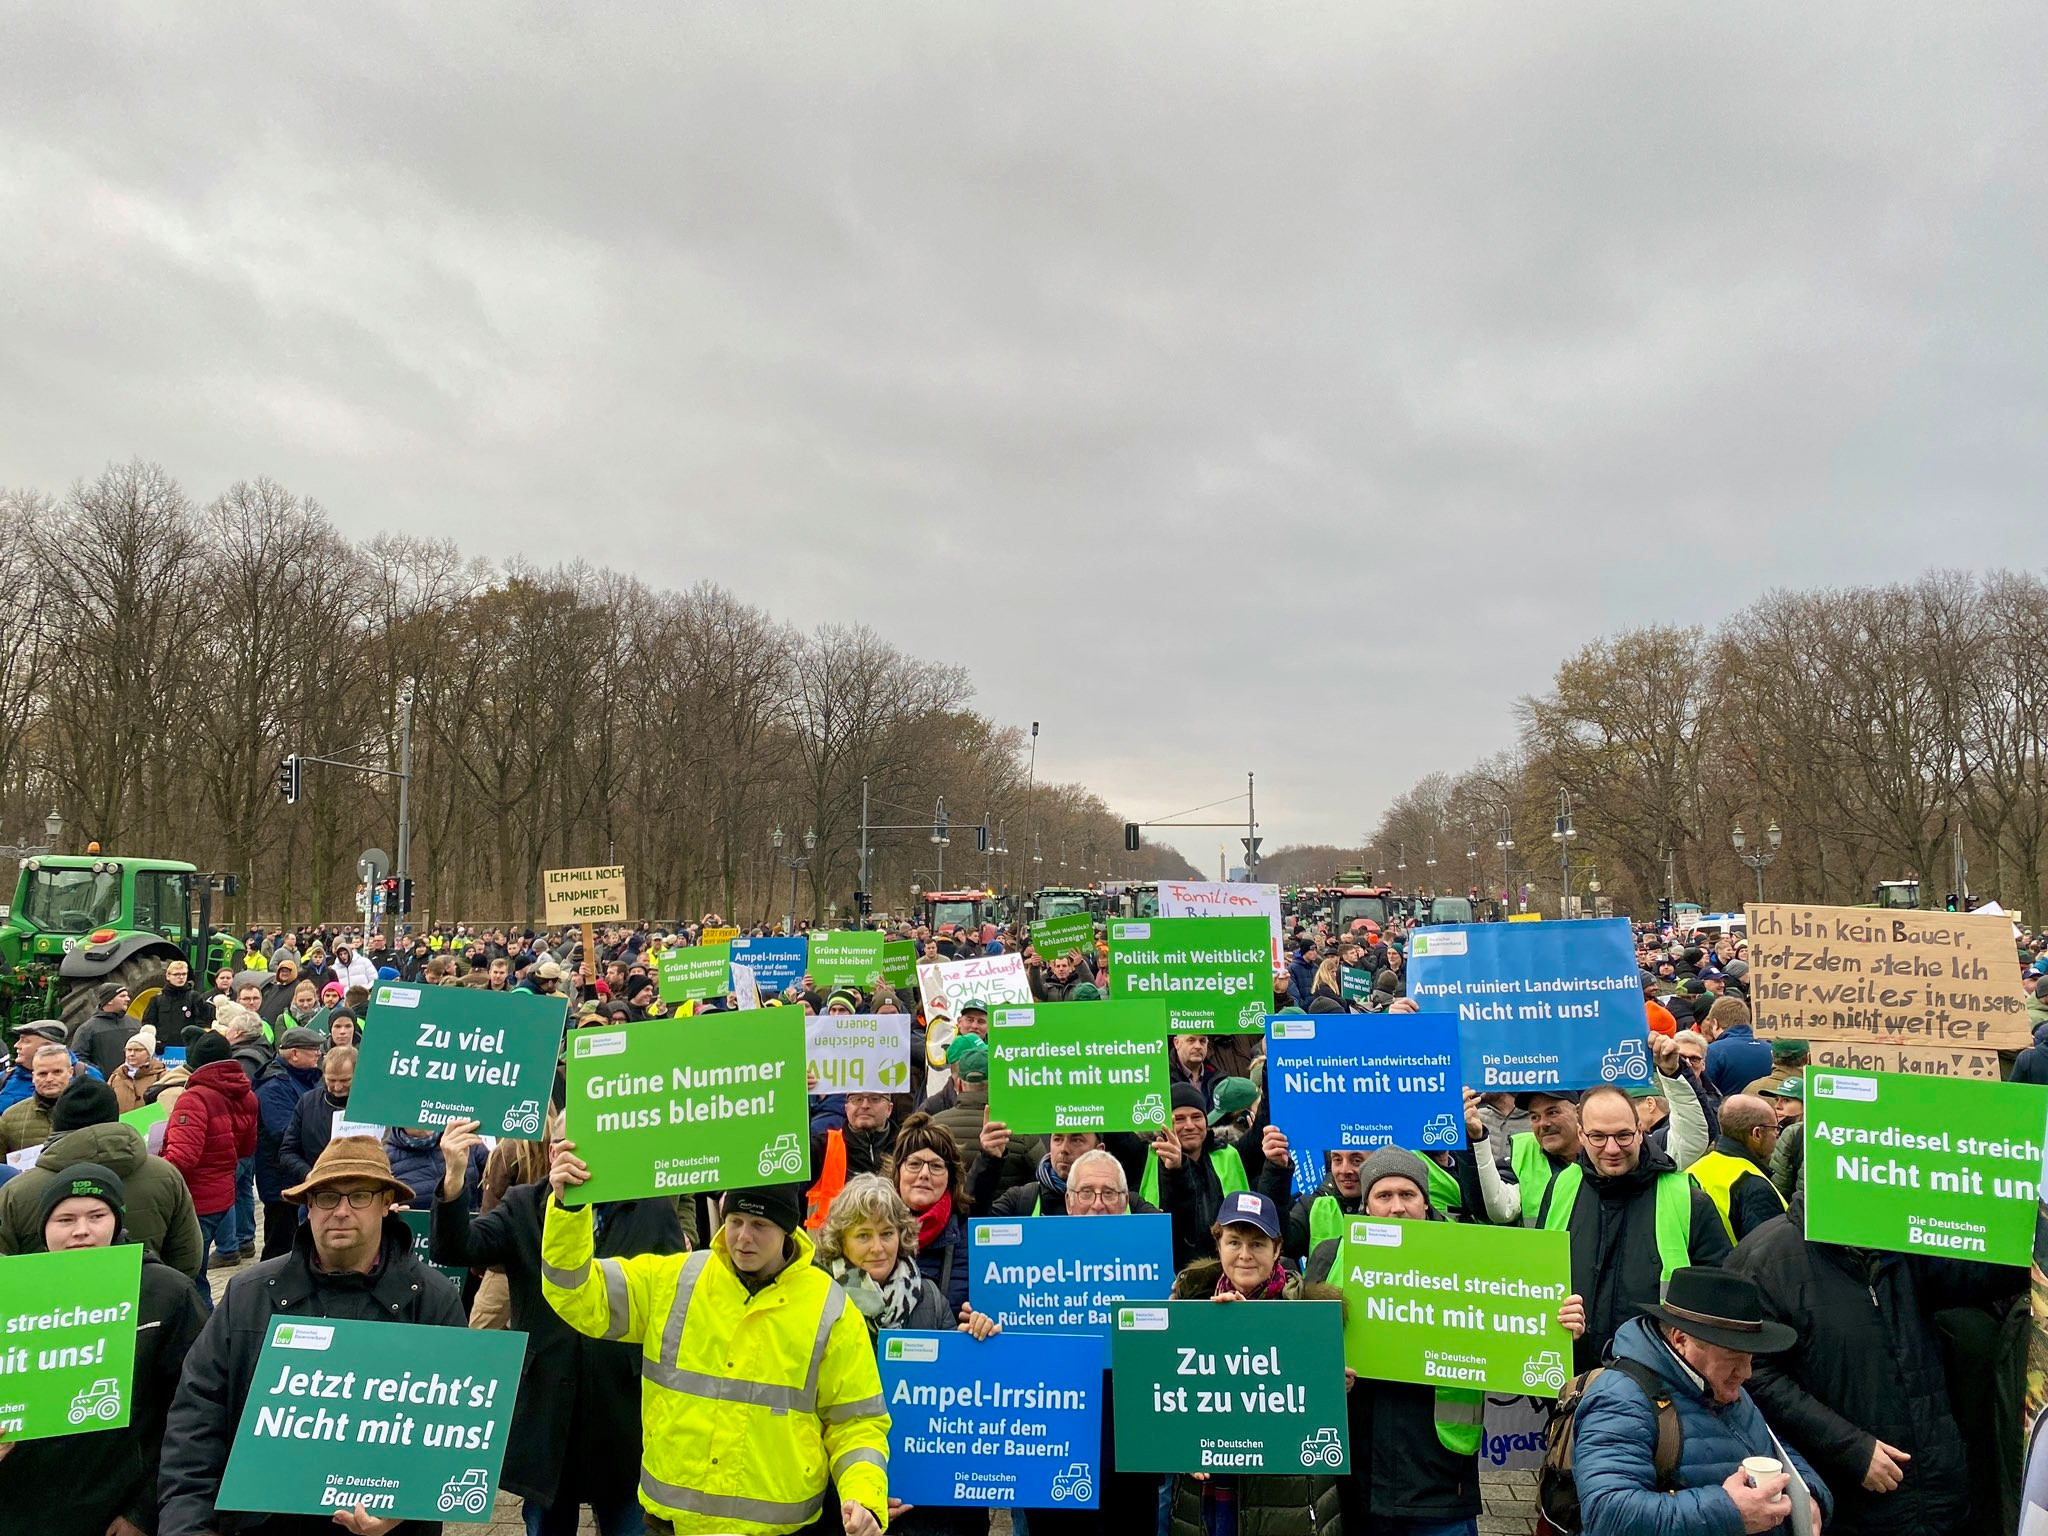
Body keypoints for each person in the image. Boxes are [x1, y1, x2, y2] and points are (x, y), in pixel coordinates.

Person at [541, 1157, 892, 1536]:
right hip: (670, 1525)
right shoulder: (674, 1280)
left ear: (788, 1229)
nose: (743, 1237)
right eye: (735, 1221)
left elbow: (857, 1423)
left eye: (760, 1225)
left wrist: (864, 1496)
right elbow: (574, 1292)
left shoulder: (830, 1310)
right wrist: (569, 1209)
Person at [158, 1136, 467, 1536]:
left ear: (387, 1202)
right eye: (325, 1197)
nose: (340, 1211)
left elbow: (455, 1428)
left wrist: (407, 1505)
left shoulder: (432, 1298)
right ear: (308, 1205)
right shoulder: (248, 1293)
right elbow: (196, 1424)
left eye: (358, 1196)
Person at [1305, 1149, 1585, 1535]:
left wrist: (1558, 1325)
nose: (1397, 1207)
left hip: (1439, 1472)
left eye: (1408, 1195)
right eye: (1384, 1196)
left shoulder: (1470, 1254)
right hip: (1356, 1467)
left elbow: (1517, 1322)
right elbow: (1305, 1340)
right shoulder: (1331, 1255)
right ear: (1366, 1205)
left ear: (1425, 1201)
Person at [430, 1115, 688, 1536]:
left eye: (592, 1146)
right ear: (552, 1153)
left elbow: (673, 1302)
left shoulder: (651, 1209)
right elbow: (456, 1247)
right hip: (548, 1409)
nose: (578, 1158)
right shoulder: (522, 1206)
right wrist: (455, 1177)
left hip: (622, 1409)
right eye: (569, 1146)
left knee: (629, 1521)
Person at [1726, 1192, 2016, 1536]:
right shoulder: (1766, 1259)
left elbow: (1981, 1273)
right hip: (1851, 1498)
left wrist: (2029, 1223)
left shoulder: (1903, 1238)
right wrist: (1851, 1449)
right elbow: (1752, 1372)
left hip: (1937, 1493)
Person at [0, 1162, 207, 1536]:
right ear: (43, 1229)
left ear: (117, 1222)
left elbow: (195, 1413)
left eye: (97, 1215)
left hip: (118, 1505)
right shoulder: (15, 1295)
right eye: (65, 1220)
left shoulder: (165, 1292)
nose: (82, 1231)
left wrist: (145, 1511)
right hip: (23, 1507)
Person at [1572, 1266, 1830, 1536]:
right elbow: (1606, 1515)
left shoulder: (1718, 1383)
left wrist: (1809, 1496)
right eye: (1733, 1357)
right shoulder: (1621, 1399)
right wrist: (1729, 1512)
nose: (1746, 1373)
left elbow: (1773, 1446)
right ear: (1681, 1340)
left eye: (1750, 1357)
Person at [1166, 1191, 1345, 1536]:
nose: (1245, 1255)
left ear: (1277, 1249)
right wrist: (1180, 1448)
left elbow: (1325, 1409)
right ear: (1218, 1244)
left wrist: (1337, 1384)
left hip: (1287, 1504)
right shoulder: (1185, 1307)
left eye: (1258, 1244)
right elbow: (1164, 1400)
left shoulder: (1312, 1313)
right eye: (1234, 1242)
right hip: (1208, 1499)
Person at [1534, 1084, 1731, 1370]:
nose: (1612, 1148)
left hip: (1662, 1380)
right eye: (1598, 1137)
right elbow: (1540, 1281)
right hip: (1574, 1376)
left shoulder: (1687, 1198)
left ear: (1640, 1131)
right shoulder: (1562, 1187)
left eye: (1623, 1135)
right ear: (1581, 1135)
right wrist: (1555, 1318)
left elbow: (1718, 1298)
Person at [0, 1075, 203, 1275]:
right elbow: (187, 1256)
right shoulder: (165, 1174)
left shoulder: (17, 1191)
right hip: (146, 1299)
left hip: (46, 1305)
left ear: (58, 1122)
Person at [160, 1029, 257, 1276]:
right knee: (199, 1275)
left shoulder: (194, 1099)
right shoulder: (247, 1095)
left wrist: (154, 1171)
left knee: (189, 1277)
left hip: (195, 1199)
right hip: (223, 1194)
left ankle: (204, 1316)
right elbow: (246, 1149)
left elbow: (182, 1158)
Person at [1145, 1082, 1249, 1268]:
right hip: (1172, 1268)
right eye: (1179, 1119)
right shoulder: (1153, 1157)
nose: (1190, 1125)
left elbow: (1246, 1217)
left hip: (1224, 1268)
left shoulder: (1228, 1154)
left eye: (1196, 1117)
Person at [251, 1025, 325, 1259]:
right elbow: (283, 1132)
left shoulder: (308, 1078)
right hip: (281, 1180)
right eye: (313, 1049)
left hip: (298, 1175)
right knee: (280, 1247)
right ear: (294, 1054)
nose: (318, 1054)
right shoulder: (274, 1086)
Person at [885, 1112, 971, 1311]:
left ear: (950, 1177)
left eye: (936, 1166)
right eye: (914, 1164)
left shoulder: (969, 1237)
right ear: (897, 1172)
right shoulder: (871, 1229)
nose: (924, 1174)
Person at [1686, 1094, 1787, 1244]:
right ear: (1757, 1134)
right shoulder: (1754, 1186)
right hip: (1732, 1266)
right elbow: (1770, 1253)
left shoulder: (1694, 1169)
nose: (1777, 1134)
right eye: (1775, 1128)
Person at [806, 1088, 900, 1228]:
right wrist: (796, 1094)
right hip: (832, 1247)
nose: (865, 1105)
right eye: (856, 1099)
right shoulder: (822, 1147)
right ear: (846, 1108)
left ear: (889, 1109)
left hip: (889, 1246)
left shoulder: (907, 1149)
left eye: (875, 1098)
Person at [279, 1043, 355, 1188]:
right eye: (331, 1080)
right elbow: (287, 1152)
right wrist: (308, 1174)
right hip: (319, 1188)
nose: (337, 1087)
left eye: (345, 1081)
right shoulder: (308, 1103)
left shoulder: (372, 1105)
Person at [0, 1041, 84, 1152]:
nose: (49, 1079)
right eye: (42, 1074)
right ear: (33, 1076)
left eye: (57, 1072)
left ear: (70, 1072)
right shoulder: (10, 1118)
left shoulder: (89, 1111)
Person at [1703, 998, 1771, 1098]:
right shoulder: (1771, 1050)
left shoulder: (1713, 1051)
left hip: (1727, 1110)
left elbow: (1705, 1091)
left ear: (1715, 1023)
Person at [70, 981, 136, 1077]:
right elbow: (78, 1057)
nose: (128, 999)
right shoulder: (87, 1029)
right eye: (122, 996)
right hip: (105, 1085)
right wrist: (98, 1073)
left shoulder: (135, 1023)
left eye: (127, 995)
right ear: (109, 1000)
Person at [142, 958, 209, 1046]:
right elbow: (148, 1024)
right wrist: (155, 1042)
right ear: (168, 976)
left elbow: (203, 1023)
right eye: (176, 974)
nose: (181, 977)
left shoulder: (195, 998)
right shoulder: (156, 1000)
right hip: (163, 1050)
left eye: (184, 974)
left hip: (187, 1048)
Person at [109, 1026, 166, 1113]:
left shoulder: (161, 1076)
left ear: (148, 1053)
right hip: (121, 1125)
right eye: (129, 1050)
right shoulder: (116, 1076)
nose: (132, 1054)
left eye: (138, 1050)